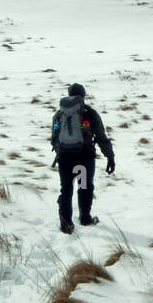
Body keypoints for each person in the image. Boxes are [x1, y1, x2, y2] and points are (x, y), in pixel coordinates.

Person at [51, 83, 115, 234]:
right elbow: (101, 137)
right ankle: (85, 218)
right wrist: (110, 157)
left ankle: (66, 225)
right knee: (85, 187)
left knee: (66, 190)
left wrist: (60, 148)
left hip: (65, 158)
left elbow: (54, 138)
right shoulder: (89, 113)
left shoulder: (59, 114)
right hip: (84, 158)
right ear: (83, 96)